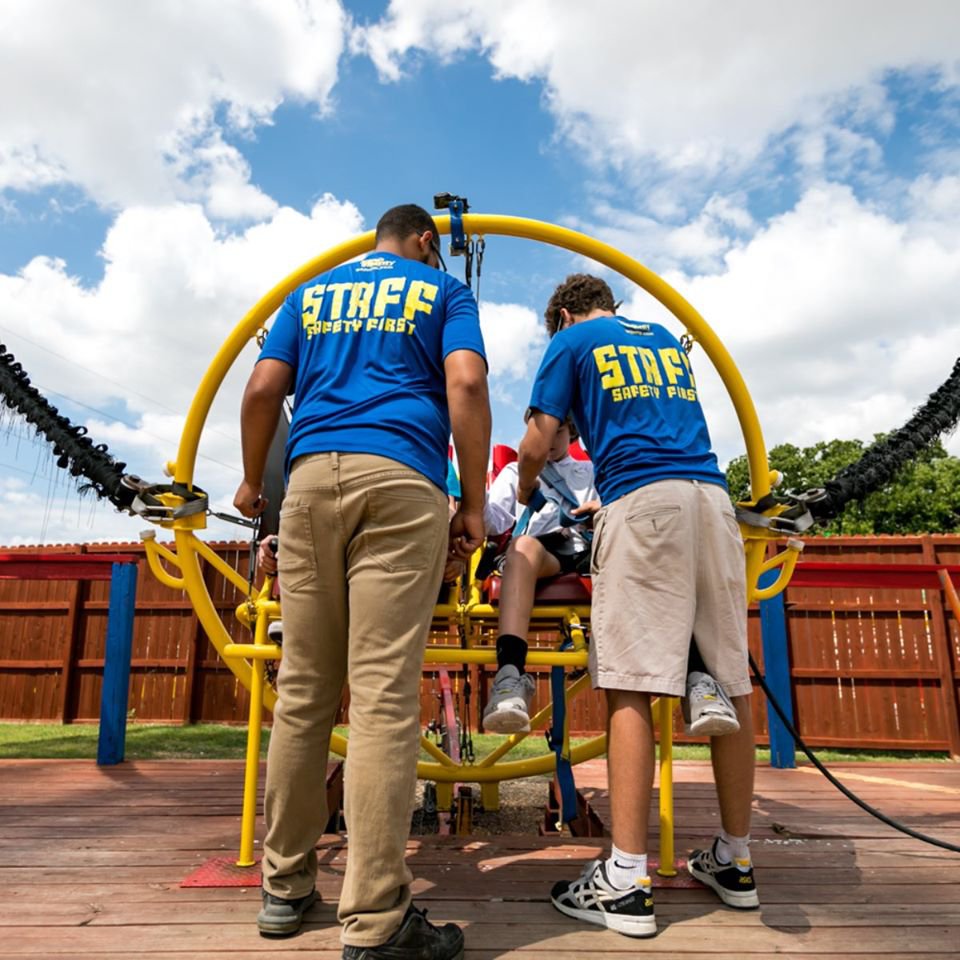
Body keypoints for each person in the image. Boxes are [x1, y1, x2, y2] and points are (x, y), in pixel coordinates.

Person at [234, 203, 490, 960]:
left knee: (305, 690)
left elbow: (259, 390)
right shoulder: (442, 292)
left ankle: (284, 888)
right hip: (402, 478)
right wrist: (471, 501)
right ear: (422, 241)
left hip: (311, 482)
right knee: (381, 697)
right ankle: (376, 924)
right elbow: (467, 385)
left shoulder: (312, 293)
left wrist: (254, 484)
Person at [516, 274, 758, 938]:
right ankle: (735, 860)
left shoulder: (571, 342)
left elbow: (538, 441)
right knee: (730, 682)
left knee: (627, 684)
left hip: (643, 505)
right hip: (711, 499)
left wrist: (526, 482)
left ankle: (625, 879)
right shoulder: (665, 344)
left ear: (563, 314)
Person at [480, 416, 599, 733]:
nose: (546, 438)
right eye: (538, 430)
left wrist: (600, 511)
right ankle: (510, 674)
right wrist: (474, 496)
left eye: (556, 430)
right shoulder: (515, 472)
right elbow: (493, 522)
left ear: (571, 432)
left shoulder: (591, 471)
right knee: (522, 547)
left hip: (587, 550)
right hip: (540, 552)